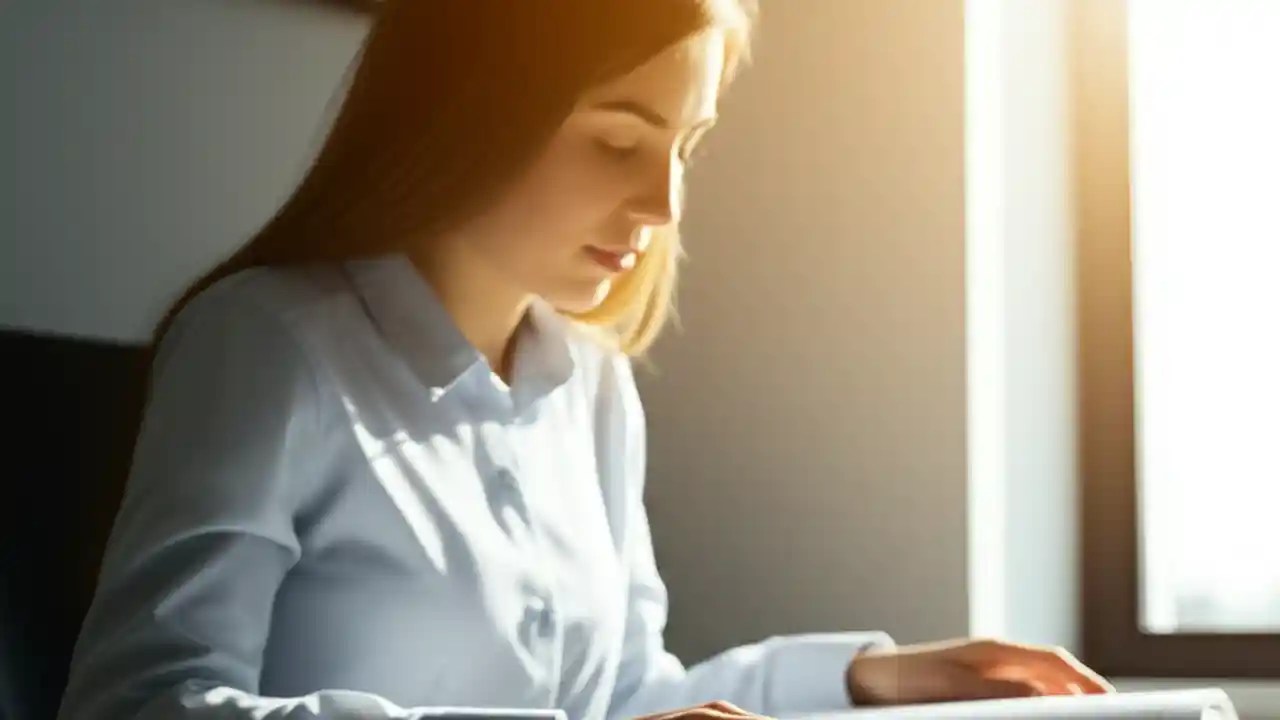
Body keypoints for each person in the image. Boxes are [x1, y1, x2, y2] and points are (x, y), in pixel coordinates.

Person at [56, 2, 1114, 719]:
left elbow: (615, 698)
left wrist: (869, 682)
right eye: (618, 140)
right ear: (472, 112)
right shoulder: (267, 346)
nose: (663, 205)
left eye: (685, 147)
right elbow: (142, 704)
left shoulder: (589, 387)